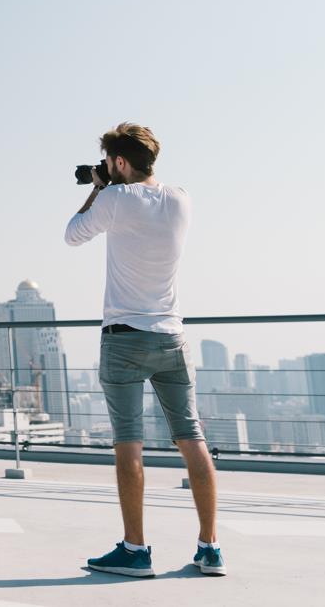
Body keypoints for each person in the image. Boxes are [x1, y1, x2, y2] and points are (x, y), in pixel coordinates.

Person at [64, 123, 225, 578]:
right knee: (191, 438)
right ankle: (210, 547)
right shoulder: (181, 199)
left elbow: (73, 234)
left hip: (124, 337)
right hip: (172, 336)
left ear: (118, 162)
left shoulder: (115, 199)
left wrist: (97, 191)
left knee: (128, 443)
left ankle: (135, 550)